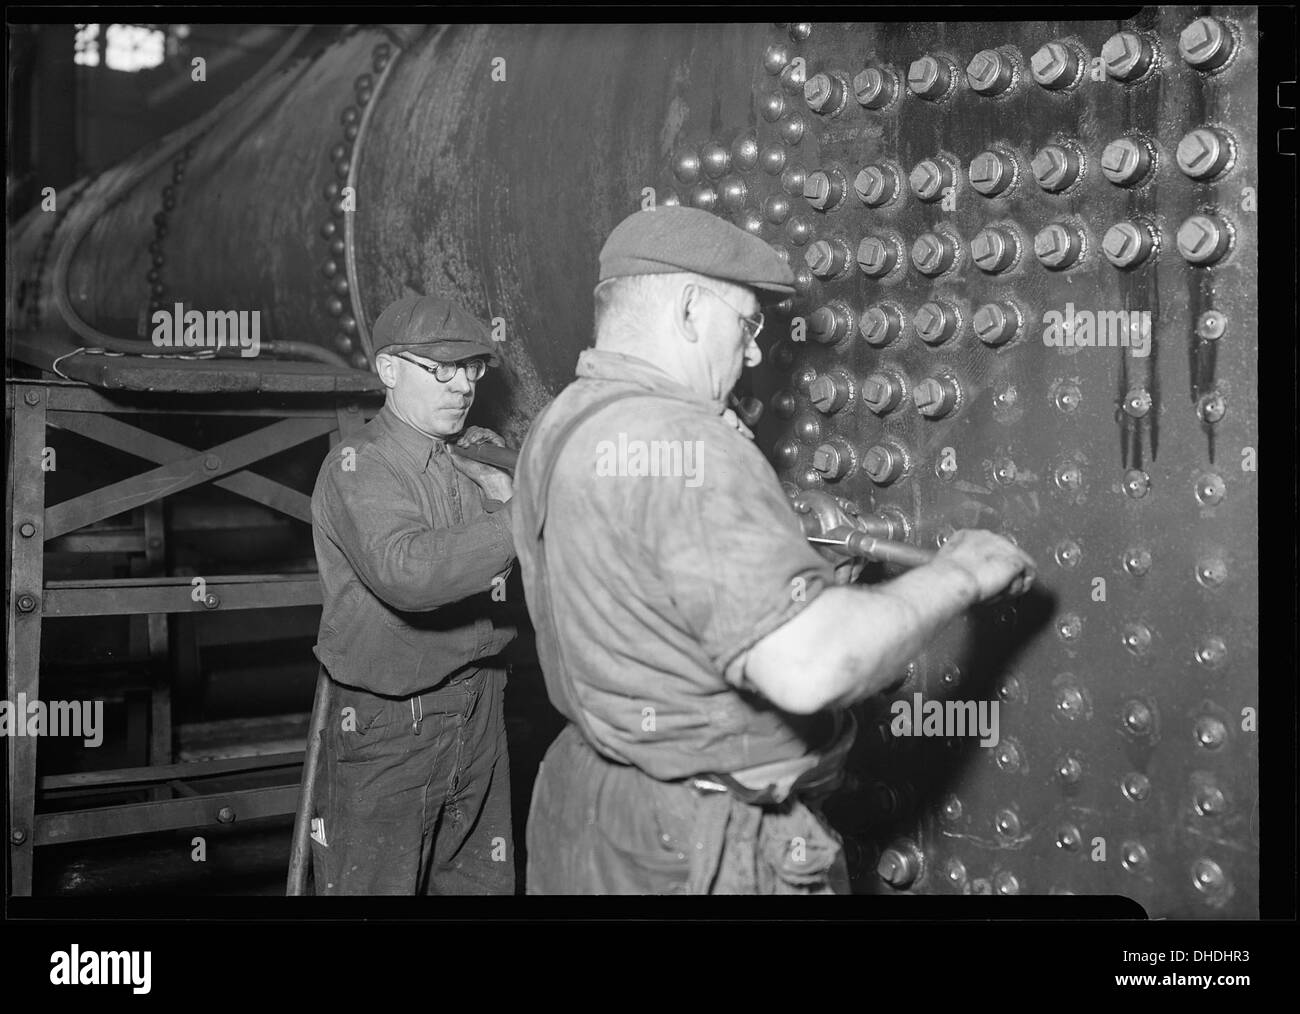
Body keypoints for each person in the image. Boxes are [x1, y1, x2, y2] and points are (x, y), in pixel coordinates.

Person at [512, 206, 1036, 894]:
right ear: (691, 309)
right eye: (747, 323)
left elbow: (648, 598)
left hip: (595, 808)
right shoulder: (683, 444)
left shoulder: (566, 421)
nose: (755, 352)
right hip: (700, 844)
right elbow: (811, 666)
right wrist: (960, 575)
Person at [309, 294, 519, 895]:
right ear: (389, 370)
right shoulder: (360, 466)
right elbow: (407, 574)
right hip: (391, 723)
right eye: (441, 369)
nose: (462, 387)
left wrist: (507, 495)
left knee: (480, 885)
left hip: (481, 705)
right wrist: (519, 516)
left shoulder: (471, 457)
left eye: (472, 369)